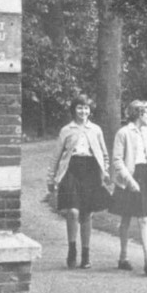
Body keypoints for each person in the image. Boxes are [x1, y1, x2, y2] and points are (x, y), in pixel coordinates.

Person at [47, 94, 112, 269]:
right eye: (79, 107)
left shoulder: (96, 130)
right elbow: (56, 157)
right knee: (73, 212)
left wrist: (104, 171)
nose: (83, 111)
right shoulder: (66, 130)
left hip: (90, 171)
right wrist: (51, 179)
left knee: (86, 214)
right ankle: (72, 249)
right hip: (71, 170)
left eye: (86, 108)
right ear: (73, 110)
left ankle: (86, 254)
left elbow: (105, 155)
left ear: (90, 110)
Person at [109, 99, 147, 275]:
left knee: (144, 218)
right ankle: (123, 257)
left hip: (145, 176)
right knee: (126, 218)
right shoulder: (123, 133)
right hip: (129, 177)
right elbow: (117, 160)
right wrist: (129, 180)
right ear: (139, 114)